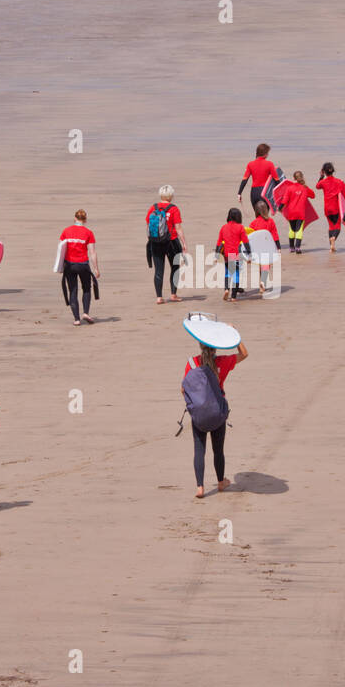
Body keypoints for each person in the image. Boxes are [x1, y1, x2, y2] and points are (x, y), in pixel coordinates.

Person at [184, 340, 248, 498]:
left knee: (199, 450)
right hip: (217, 412)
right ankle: (221, 482)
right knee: (218, 450)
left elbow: (183, 388)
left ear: (200, 345)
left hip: (199, 413)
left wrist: (194, 406)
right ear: (215, 347)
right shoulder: (222, 362)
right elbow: (244, 354)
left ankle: (200, 487)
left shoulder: (192, 363)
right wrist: (235, 337)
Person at [60, 209, 99, 325]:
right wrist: (96, 268)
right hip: (83, 265)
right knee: (86, 288)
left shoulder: (66, 231)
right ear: (85, 220)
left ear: (75, 219)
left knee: (73, 290)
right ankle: (86, 313)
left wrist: (60, 266)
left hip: (70, 265)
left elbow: (61, 250)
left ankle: (76, 319)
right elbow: (92, 252)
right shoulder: (88, 233)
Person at [146, 185, 184, 305]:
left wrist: (151, 239)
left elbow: (148, 225)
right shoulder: (173, 209)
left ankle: (159, 297)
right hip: (171, 242)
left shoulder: (153, 207)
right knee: (175, 268)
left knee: (158, 270)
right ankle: (173, 294)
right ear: (171, 196)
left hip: (155, 242)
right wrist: (184, 243)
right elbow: (178, 228)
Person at [315, 162, 345, 253]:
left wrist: (321, 176)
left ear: (324, 172)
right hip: (336, 208)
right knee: (337, 226)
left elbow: (317, 186)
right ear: (333, 171)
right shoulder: (339, 182)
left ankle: (332, 247)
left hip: (327, 208)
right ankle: (333, 238)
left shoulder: (323, 182)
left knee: (331, 226)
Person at [216, 208, 251, 302]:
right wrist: (249, 254)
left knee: (227, 273)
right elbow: (246, 242)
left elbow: (219, 242)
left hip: (227, 254)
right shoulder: (240, 228)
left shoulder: (224, 227)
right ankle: (234, 296)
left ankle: (227, 289)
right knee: (236, 274)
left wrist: (216, 255)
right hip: (235, 255)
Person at [280, 171, 315, 253]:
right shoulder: (305, 188)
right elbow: (313, 196)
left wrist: (279, 208)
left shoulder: (289, 188)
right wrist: (306, 186)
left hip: (291, 213)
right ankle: (298, 248)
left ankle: (291, 248)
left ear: (294, 178)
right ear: (302, 177)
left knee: (291, 230)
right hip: (301, 213)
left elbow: (284, 201)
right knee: (299, 230)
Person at [248, 201, 279, 295]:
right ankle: (263, 283)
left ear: (256, 211)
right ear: (266, 210)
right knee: (265, 266)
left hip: (257, 249)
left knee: (261, 266)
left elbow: (250, 237)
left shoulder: (253, 223)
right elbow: (275, 235)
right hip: (268, 247)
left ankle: (262, 283)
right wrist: (278, 248)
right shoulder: (271, 221)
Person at [237, 144, 278, 213]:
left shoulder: (250, 164)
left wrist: (239, 193)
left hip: (254, 193)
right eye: (267, 153)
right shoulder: (269, 164)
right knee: (265, 216)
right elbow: (276, 180)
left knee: (257, 216)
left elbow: (244, 180)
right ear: (264, 153)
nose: (268, 154)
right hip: (265, 192)